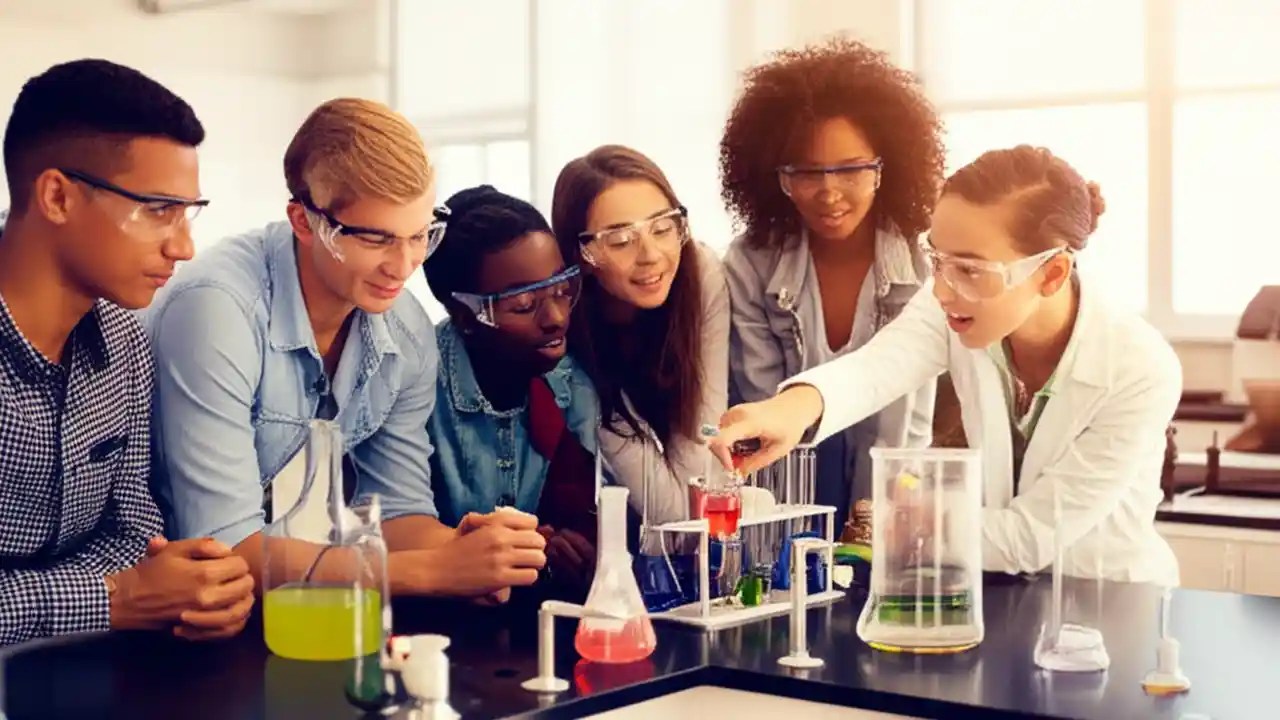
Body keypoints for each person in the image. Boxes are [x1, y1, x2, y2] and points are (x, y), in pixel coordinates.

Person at [711, 146, 1181, 586]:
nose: (941, 290)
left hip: (1109, 603)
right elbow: (877, 367)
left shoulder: (1138, 368)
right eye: (937, 259)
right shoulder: (962, 310)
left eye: (971, 270)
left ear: (1052, 273)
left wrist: (902, 525)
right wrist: (788, 412)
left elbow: (1029, 537)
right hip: (1005, 598)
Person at [144, 99, 545, 601]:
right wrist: (430, 573)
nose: (402, 266)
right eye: (376, 239)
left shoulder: (404, 329)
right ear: (304, 221)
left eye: (420, 236)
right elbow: (227, 544)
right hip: (151, 601)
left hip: (262, 605)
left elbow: (398, 512)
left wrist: (468, 554)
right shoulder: (217, 311)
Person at [0, 59, 254, 645]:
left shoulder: (125, 338)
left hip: (78, 672)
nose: (185, 247)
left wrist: (180, 586)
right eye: (158, 210)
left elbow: (133, 532)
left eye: (189, 212)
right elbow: (127, 582)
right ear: (58, 196)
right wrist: (118, 596)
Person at [719, 38, 942, 530]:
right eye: (806, 172)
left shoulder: (926, 261)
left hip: (894, 513)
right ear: (776, 175)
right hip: (785, 517)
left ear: (885, 169)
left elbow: (908, 431)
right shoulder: (749, 264)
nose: (829, 192)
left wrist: (871, 534)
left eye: (852, 170)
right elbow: (766, 420)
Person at [424, 185, 600, 593]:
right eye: (524, 305)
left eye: (561, 289)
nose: (556, 317)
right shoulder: (415, 390)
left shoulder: (571, 386)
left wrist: (557, 547)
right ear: (466, 316)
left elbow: (578, 516)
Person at [551, 145, 730, 525]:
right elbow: (668, 512)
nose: (651, 255)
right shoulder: (564, 325)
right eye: (620, 241)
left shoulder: (701, 276)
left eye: (663, 228)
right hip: (604, 534)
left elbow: (704, 446)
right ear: (582, 254)